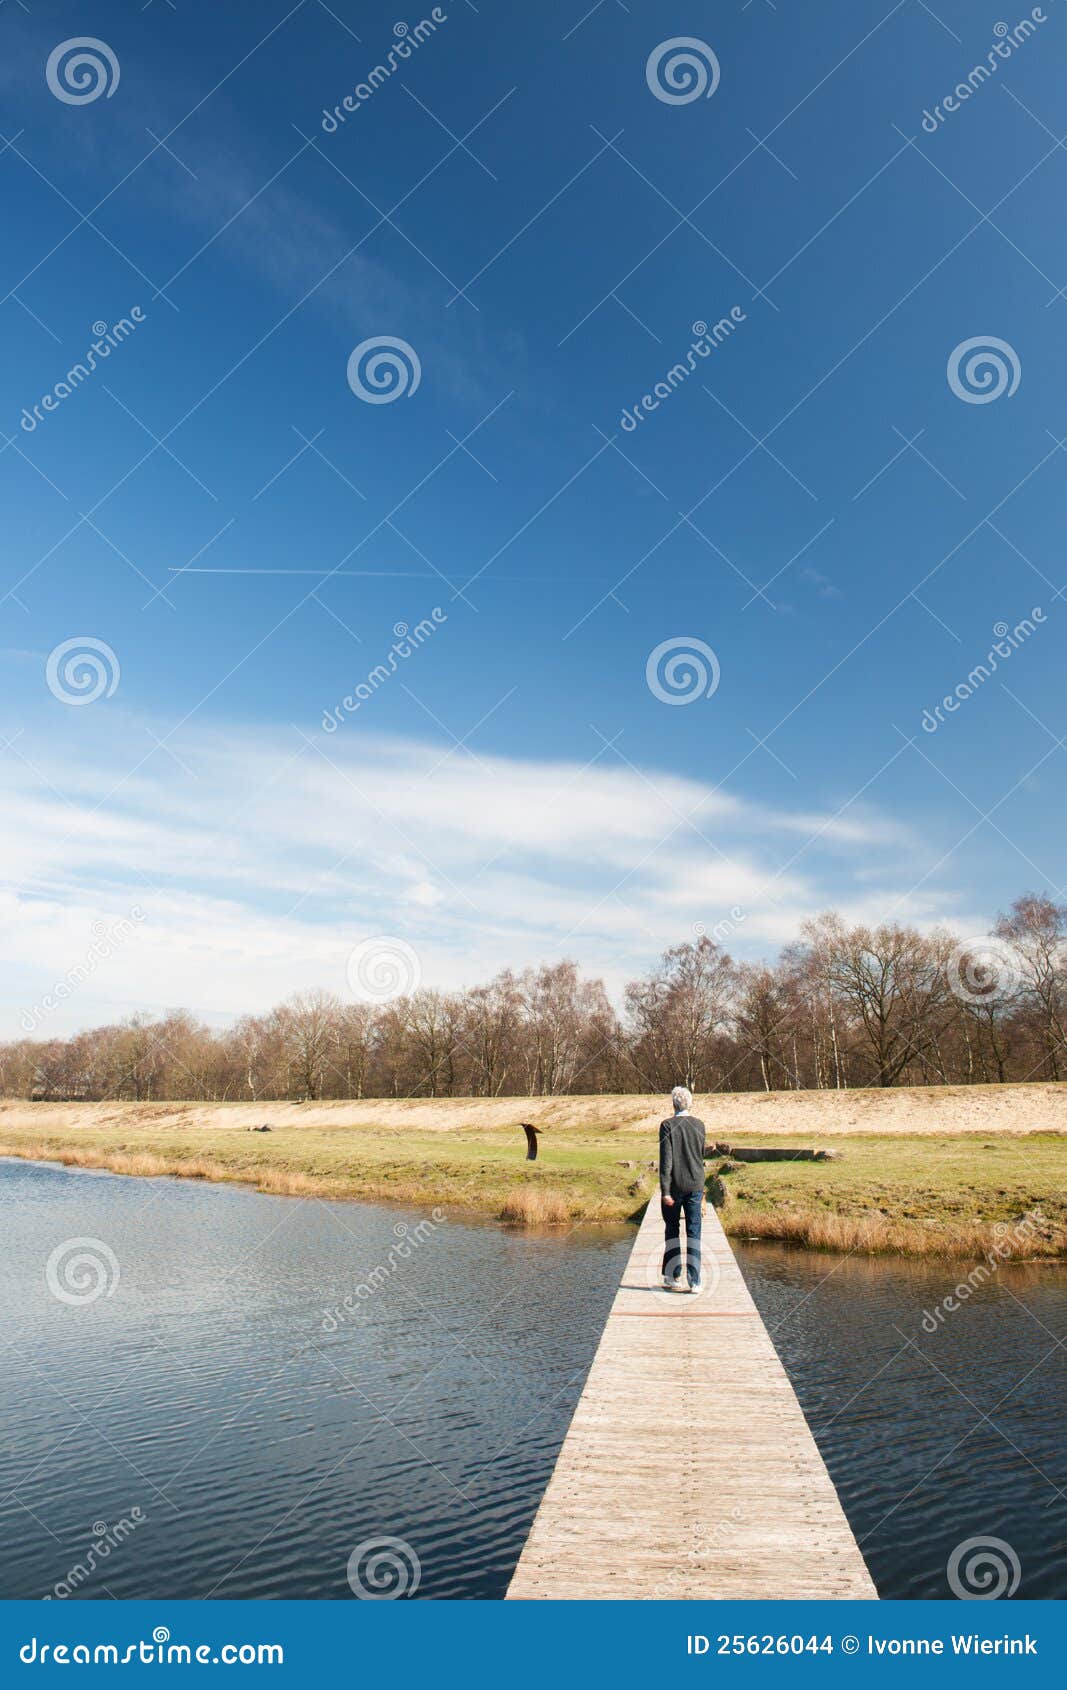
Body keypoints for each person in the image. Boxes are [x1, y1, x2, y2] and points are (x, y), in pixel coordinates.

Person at [658, 1085, 709, 1293]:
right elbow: (701, 1154)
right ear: (690, 1103)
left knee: (672, 1230)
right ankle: (695, 1281)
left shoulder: (667, 1125)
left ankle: (674, 1275)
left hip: (675, 1185)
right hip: (696, 1184)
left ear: (673, 1103)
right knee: (694, 1232)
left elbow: (666, 1161)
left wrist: (665, 1190)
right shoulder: (700, 1125)